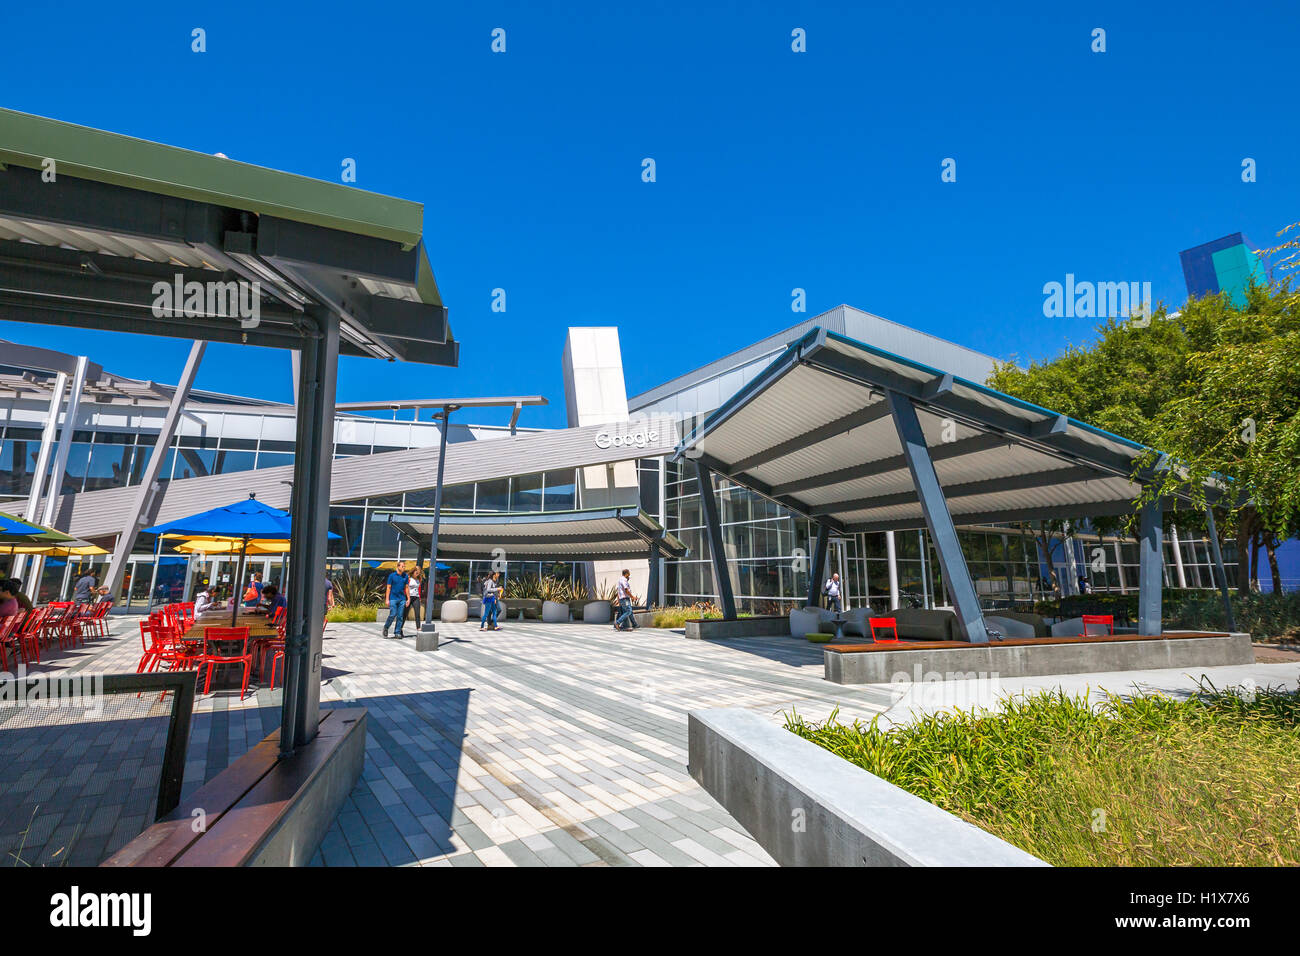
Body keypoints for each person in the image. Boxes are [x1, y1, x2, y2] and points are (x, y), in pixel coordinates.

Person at [383, 560, 409, 639]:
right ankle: (386, 627)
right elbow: (388, 588)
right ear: (398, 566)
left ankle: (397, 632)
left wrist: (408, 599)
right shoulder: (392, 576)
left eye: (404, 566)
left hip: (402, 599)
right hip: (393, 598)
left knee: (400, 616)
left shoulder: (405, 576)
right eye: (402, 566)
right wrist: (387, 599)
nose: (404, 568)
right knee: (393, 614)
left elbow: (407, 588)